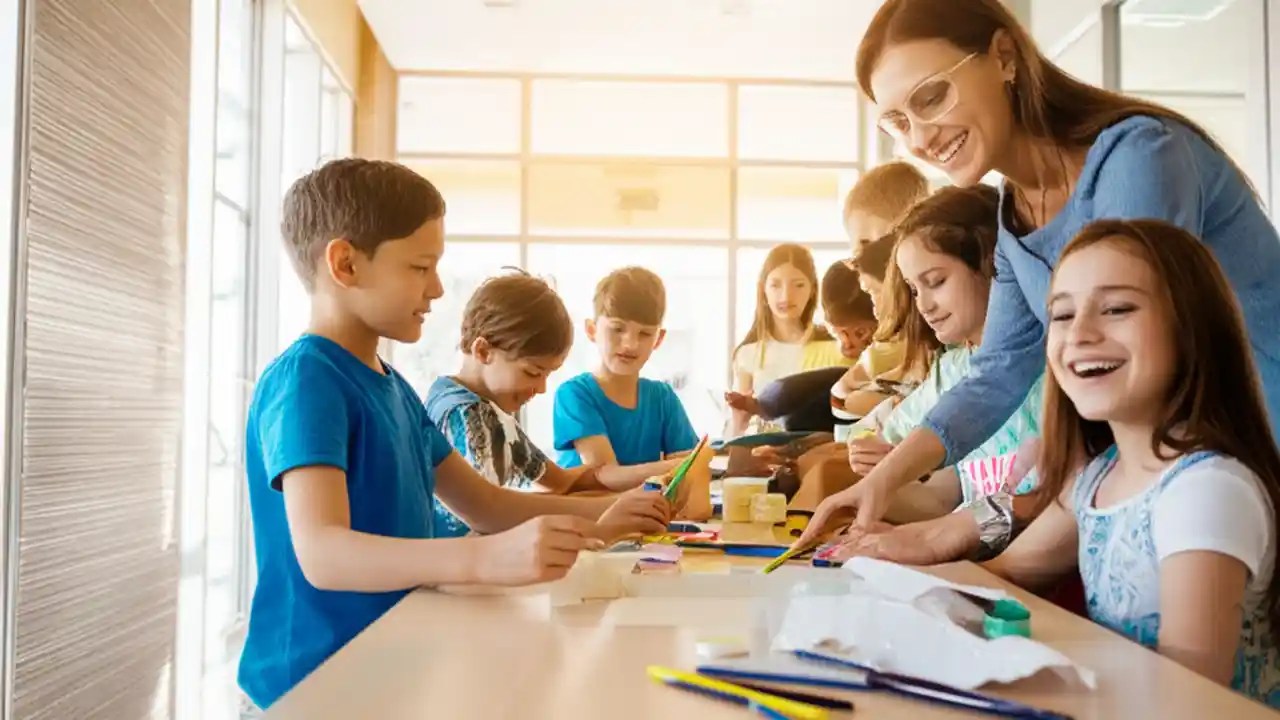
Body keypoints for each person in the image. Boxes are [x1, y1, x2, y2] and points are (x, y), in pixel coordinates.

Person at [796, 0, 1280, 543]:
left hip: (1248, 458)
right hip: (1168, 470)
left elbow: (1134, 371)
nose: (920, 139)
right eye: (898, 122)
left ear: (1005, 56)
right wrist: (881, 483)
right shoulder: (1015, 216)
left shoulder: (1137, 155)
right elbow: (998, 370)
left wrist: (963, 528)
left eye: (932, 96)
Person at [238, 160, 672, 709]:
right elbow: (324, 553)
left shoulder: (395, 388)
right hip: (311, 683)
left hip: (390, 661)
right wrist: (483, 560)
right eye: (421, 267)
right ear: (345, 264)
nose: (438, 288)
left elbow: (486, 504)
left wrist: (608, 516)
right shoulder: (306, 379)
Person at [974, 221, 1280, 701]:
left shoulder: (1206, 490)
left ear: (1192, 328)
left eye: (1116, 309)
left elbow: (1189, 700)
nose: (1079, 334)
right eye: (1061, 315)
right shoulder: (1101, 475)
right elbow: (1007, 570)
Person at [426, 271, 631, 537]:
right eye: (533, 373)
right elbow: (491, 516)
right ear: (484, 351)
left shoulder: (465, 400)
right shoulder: (469, 414)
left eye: (547, 375)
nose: (542, 388)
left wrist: (655, 476)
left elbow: (559, 481)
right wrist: (613, 507)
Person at [552, 267, 699, 491]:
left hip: (643, 518)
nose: (630, 344)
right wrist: (681, 465)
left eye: (645, 334)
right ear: (591, 330)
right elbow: (605, 475)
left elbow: (689, 474)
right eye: (617, 329)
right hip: (585, 517)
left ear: (658, 339)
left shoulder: (663, 397)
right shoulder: (574, 394)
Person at [727, 260, 878, 433]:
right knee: (789, 401)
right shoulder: (749, 354)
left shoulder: (892, 348)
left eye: (859, 333)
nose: (847, 345)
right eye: (838, 333)